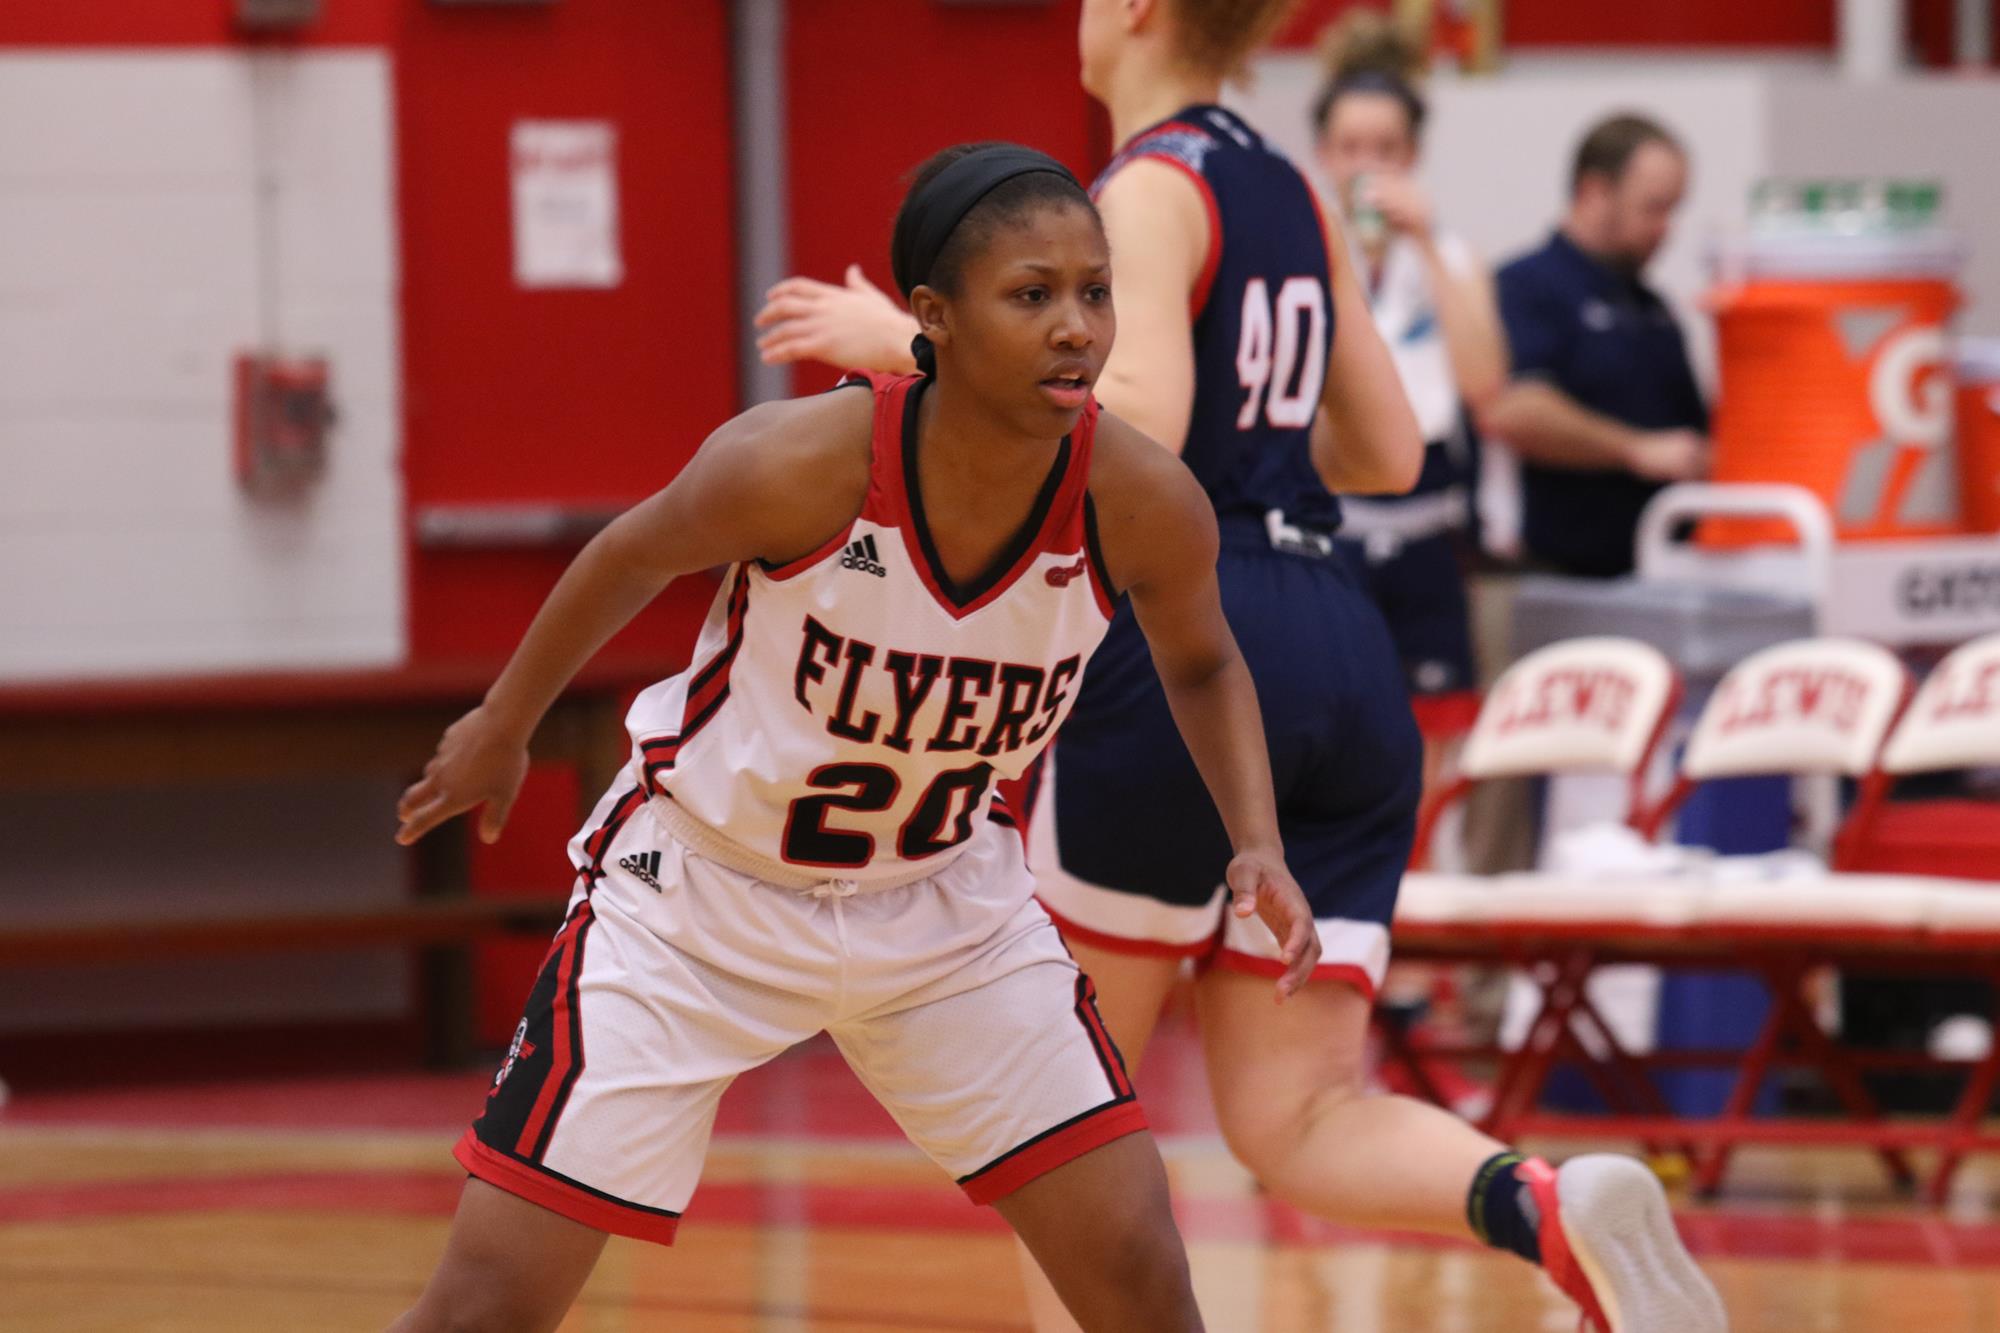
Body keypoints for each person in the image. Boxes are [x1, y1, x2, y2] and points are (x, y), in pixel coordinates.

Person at [754, 6, 1725, 1331]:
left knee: (1059, 1106)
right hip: (1337, 632)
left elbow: (1140, 422)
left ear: (1139, 9)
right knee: (1297, 1113)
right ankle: (1539, 1206)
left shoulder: (1146, 188)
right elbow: (1385, 450)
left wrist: (912, 351)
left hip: (1191, 634)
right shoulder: (1297, 190)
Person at [387, 142, 1328, 1333]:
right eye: (1030, 294)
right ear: (932, 316)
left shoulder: (1141, 500)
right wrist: (503, 722)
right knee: (486, 1306)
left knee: (1140, 1266)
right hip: (697, 899)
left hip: (942, 910)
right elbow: (626, 554)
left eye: (1094, 292)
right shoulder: (798, 463)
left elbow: (1202, 661)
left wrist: (1255, 839)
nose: (1075, 327)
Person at [1309, 12, 1506, 742]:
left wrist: (1423, 240)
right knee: (1326, 731)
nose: (1368, 166)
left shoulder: (1450, 254)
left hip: (1427, 525)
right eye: (1351, 148)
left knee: (1433, 735)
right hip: (1331, 523)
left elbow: (1485, 385)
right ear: (1323, 154)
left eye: (1386, 149)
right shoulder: (1300, 252)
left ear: (1414, 154)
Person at [1485, 112, 1710, 579]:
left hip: (1662, 569)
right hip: (1555, 575)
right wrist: (1635, 449)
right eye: (1653, 208)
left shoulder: (1653, 307)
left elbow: (1693, 430)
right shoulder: (1524, 287)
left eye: (1673, 210)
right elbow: (1515, 410)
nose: (1665, 228)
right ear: (1594, 192)